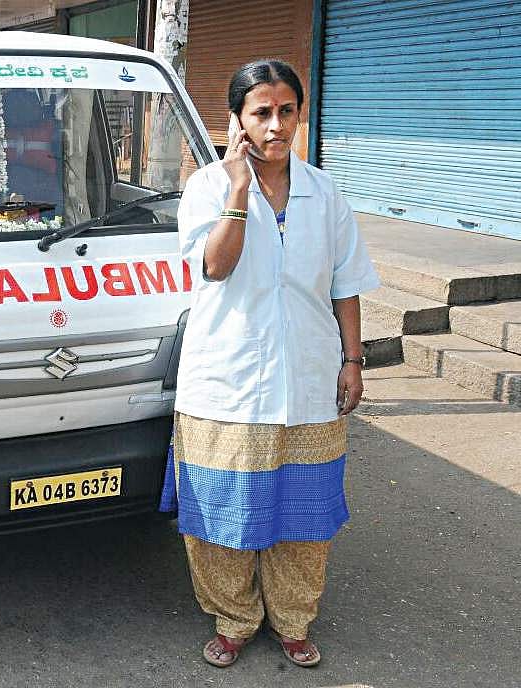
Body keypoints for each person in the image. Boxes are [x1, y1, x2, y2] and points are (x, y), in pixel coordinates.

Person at [163, 60, 379, 669]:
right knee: (224, 510)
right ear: (236, 120)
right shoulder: (208, 187)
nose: (276, 126)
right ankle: (233, 619)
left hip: (309, 375)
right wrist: (238, 189)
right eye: (261, 113)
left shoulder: (325, 194)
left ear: (300, 116)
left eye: (287, 111)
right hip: (226, 380)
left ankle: (292, 619)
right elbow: (215, 266)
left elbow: (345, 285)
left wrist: (353, 360)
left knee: (304, 513)